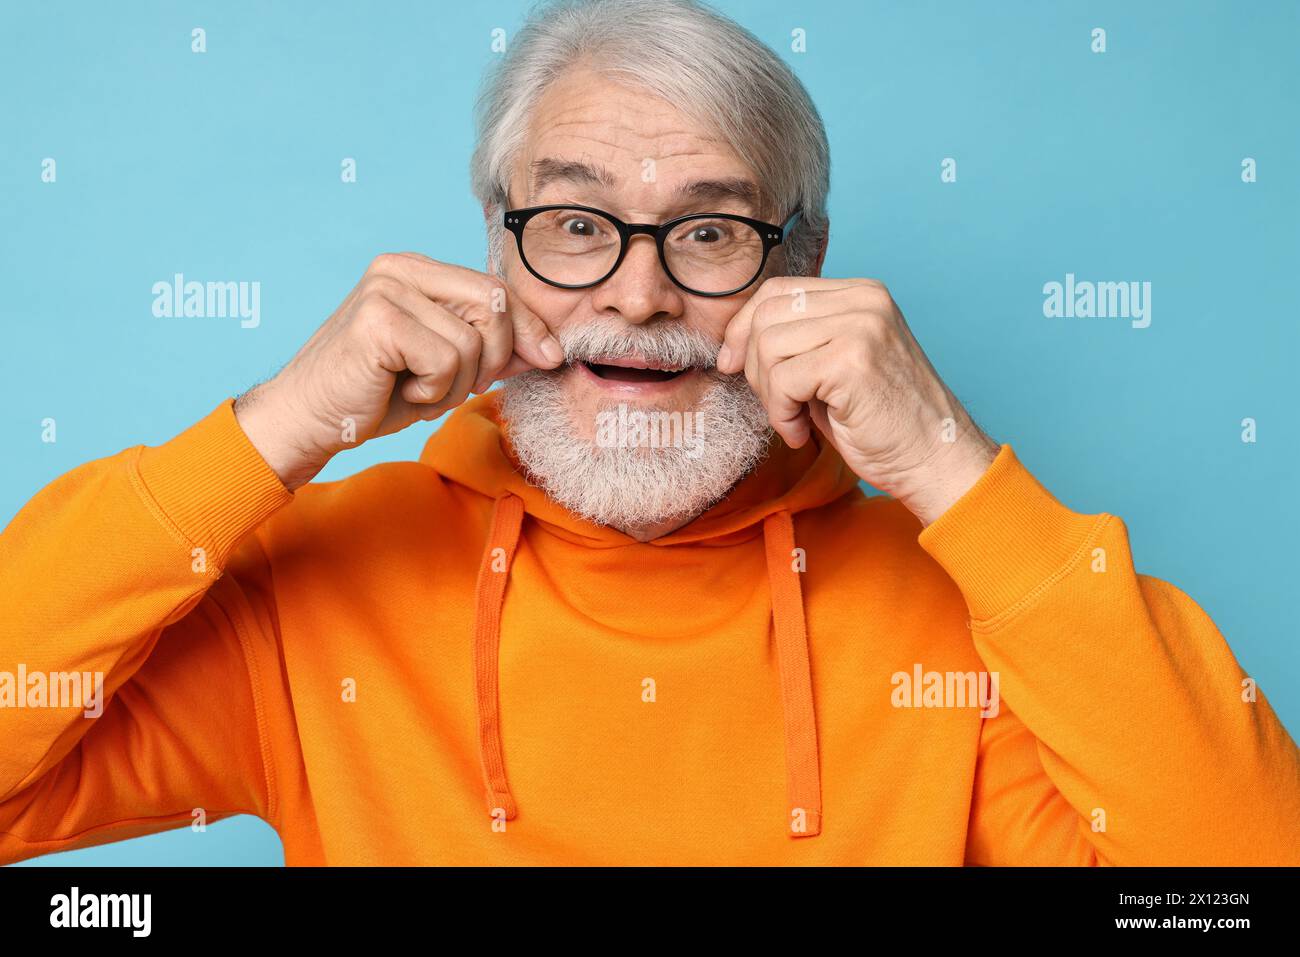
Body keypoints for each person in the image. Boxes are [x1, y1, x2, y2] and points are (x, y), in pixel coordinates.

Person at [2, 0, 1296, 866]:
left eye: (712, 230)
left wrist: (956, 471)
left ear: (810, 267)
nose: (638, 292)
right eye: (574, 224)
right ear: (493, 251)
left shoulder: (964, 624)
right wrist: (276, 428)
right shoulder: (320, 588)